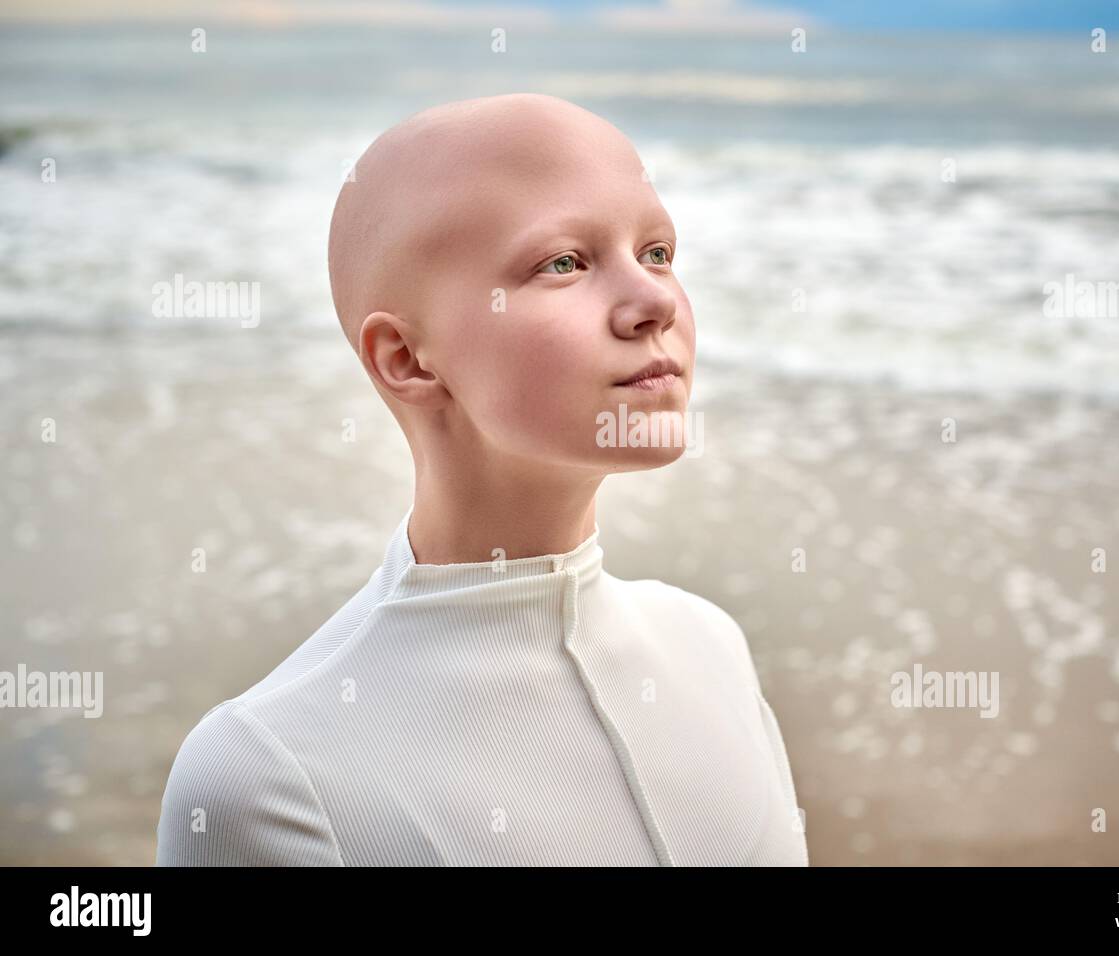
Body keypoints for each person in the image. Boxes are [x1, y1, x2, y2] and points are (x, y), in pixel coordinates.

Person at [156, 94, 808, 866]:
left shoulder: (711, 648)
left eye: (658, 253)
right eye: (564, 262)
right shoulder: (268, 775)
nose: (655, 302)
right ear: (407, 359)